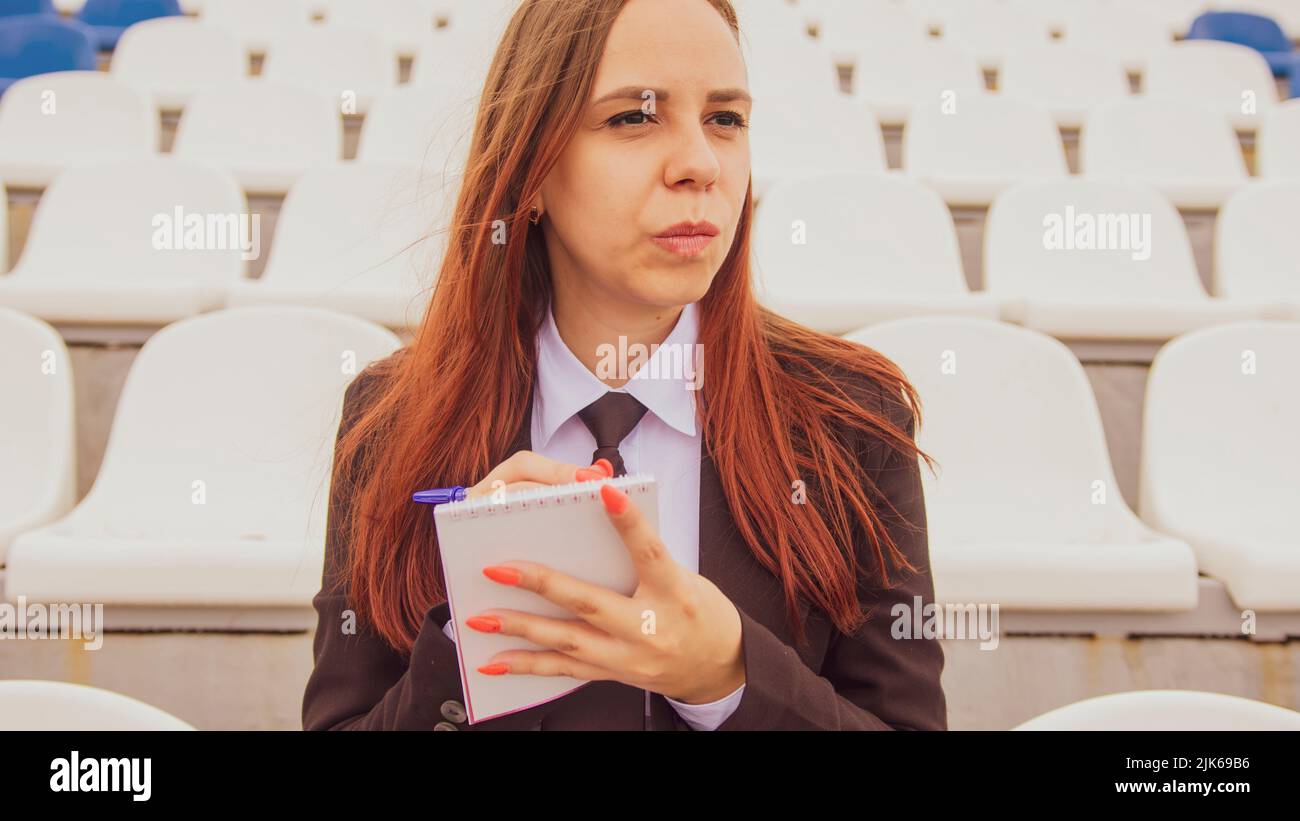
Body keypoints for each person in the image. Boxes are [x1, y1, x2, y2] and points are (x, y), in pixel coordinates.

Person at [302, 0, 947, 731]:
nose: (700, 164)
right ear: (531, 173)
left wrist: (729, 677)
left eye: (725, 119)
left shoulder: (853, 419)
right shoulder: (393, 418)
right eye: (635, 118)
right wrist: (467, 637)